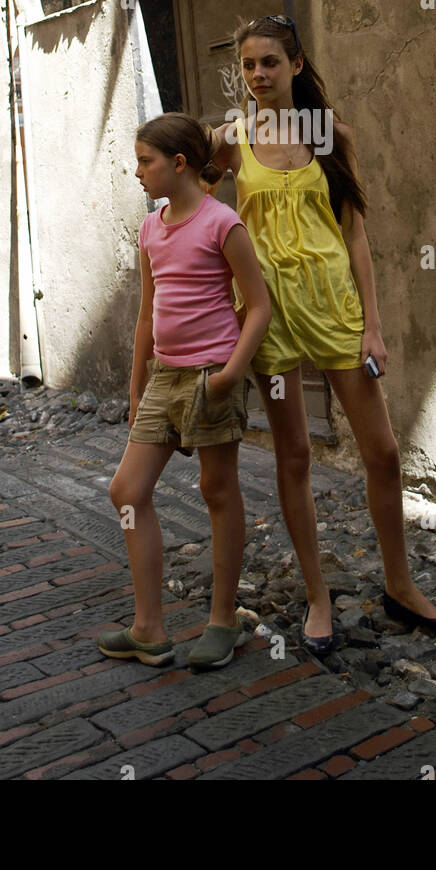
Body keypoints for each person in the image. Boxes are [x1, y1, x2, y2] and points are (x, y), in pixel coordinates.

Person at [207, 15, 436, 653]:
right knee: (293, 455)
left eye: (269, 62)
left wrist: (373, 327)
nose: (257, 75)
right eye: (247, 65)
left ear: (296, 66)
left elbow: (355, 235)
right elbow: (199, 213)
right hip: (267, 317)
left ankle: (400, 585)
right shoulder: (231, 141)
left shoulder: (332, 136)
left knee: (382, 452)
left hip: (336, 311)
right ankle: (318, 596)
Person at [98, 113, 272, 670]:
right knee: (127, 491)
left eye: (145, 162)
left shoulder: (224, 224)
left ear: (178, 164)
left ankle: (223, 622)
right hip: (164, 380)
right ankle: (149, 627)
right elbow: (148, 312)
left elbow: (259, 307)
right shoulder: (150, 229)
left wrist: (228, 374)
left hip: (211, 375)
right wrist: (136, 383)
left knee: (217, 491)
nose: (138, 173)